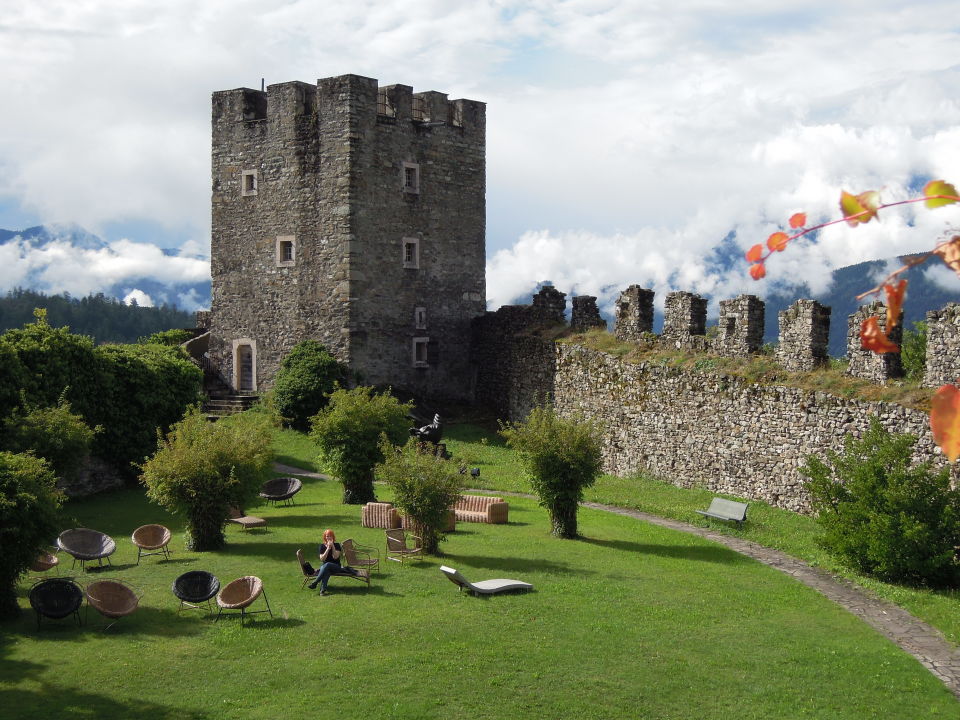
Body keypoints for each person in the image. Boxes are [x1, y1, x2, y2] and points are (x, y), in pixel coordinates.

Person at [308, 529, 343, 594]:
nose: (329, 537)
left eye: (330, 536)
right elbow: (322, 559)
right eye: (327, 536)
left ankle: (315, 582)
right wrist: (327, 549)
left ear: (333, 537)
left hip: (336, 567)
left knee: (327, 565)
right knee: (326, 570)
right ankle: (322, 590)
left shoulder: (337, 545)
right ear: (325, 537)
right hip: (325, 567)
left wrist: (332, 546)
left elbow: (335, 557)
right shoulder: (322, 546)